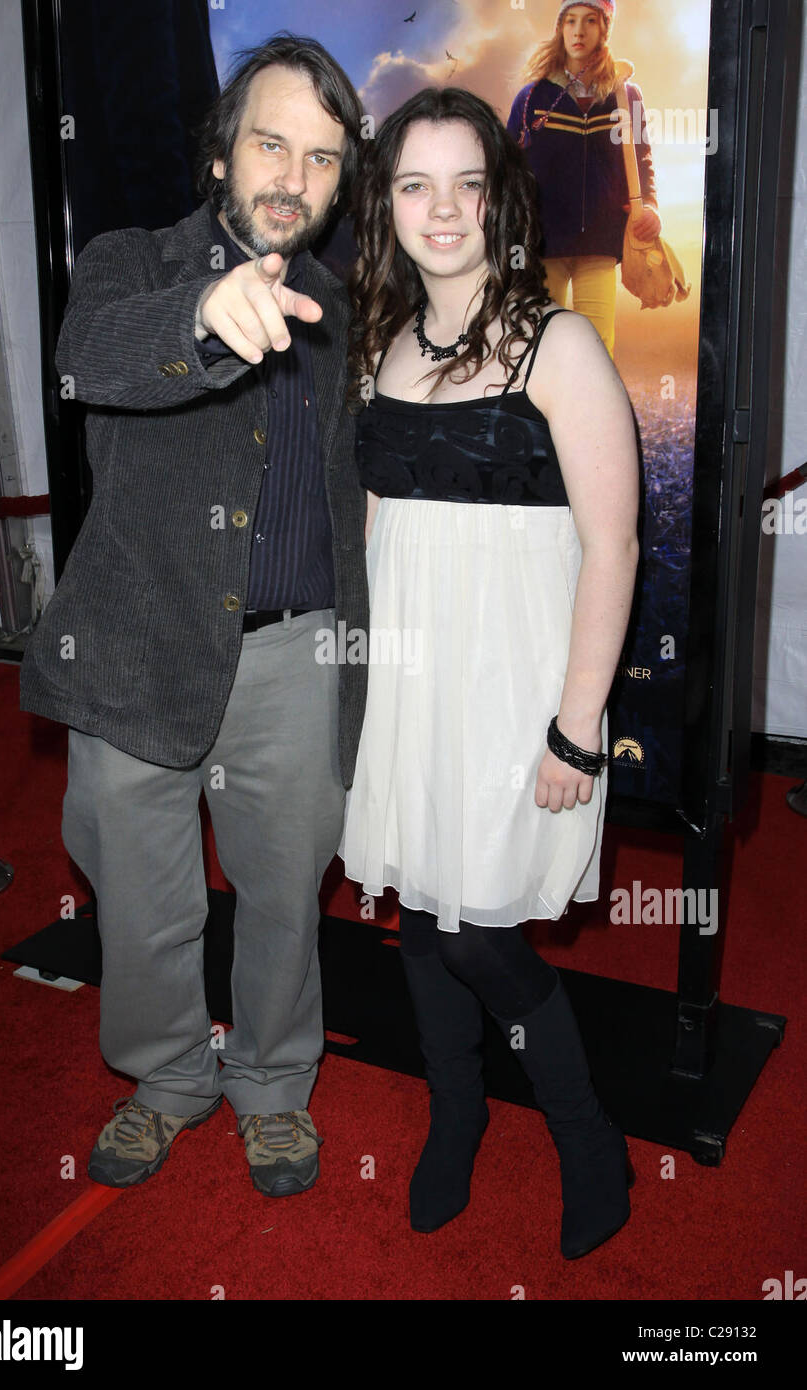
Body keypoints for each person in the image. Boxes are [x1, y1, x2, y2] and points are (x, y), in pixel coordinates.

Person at [19, 35, 369, 1198]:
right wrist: (203, 318)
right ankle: (166, 1076)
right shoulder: (132, 265)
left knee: (282, 895)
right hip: (136, 644)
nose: (291, 178)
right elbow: (88, 357)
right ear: (221, 151)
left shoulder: (342, 305)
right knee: (143, 897)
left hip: (291, 652)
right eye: (270, 144)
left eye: (320, 160)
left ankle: (272, 1084)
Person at [339, 85, 641, 1258]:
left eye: (465, 182)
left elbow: (612, 545)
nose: (440, 208)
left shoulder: (558, 342)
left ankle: (586, 1137)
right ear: (387, 207)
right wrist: (358, 690)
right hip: (411, 689)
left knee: (477, 933)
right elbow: (375, 534)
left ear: (499, 201)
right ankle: (452, 1118)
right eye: (413, 184)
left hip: (517, 690)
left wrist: (575, 728)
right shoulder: (384, 344)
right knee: (421, 913)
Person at [507, 0, 661, 358]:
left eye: (590, 21)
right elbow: (506, 167)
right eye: (571, 21)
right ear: (560, 28)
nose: (579, 31)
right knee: (537, 342)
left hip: (601, 240)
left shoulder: (626, 96)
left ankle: (589, 413)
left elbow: (642, 159)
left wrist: (651, 206)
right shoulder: (531, 97)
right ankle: (536, 413)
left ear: (604, 28)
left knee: (596, 345)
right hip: (542, 242)